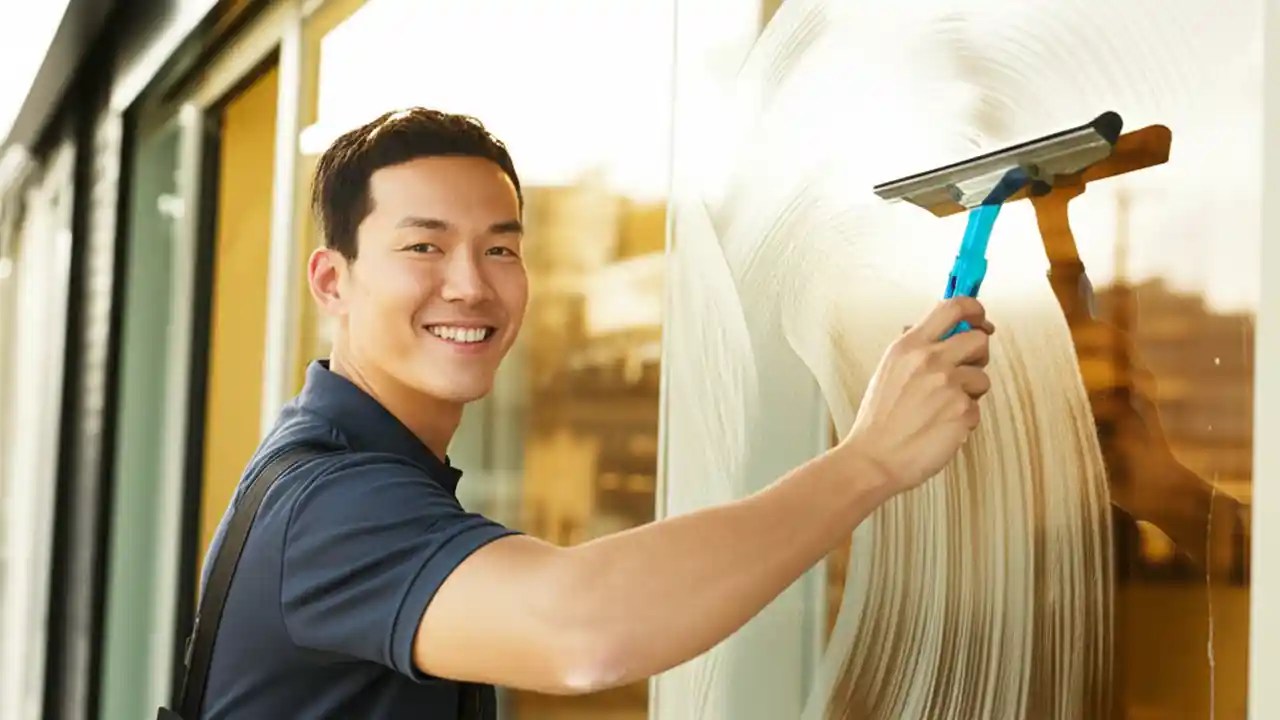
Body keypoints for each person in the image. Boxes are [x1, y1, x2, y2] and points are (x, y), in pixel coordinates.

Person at [194, 107, 994, 719]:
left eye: (500, 248)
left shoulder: (364, 469)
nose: (471, 284)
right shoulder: (328, 507)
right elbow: (583, 631)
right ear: (332, 281)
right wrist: (870, 461)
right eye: (425, 247)